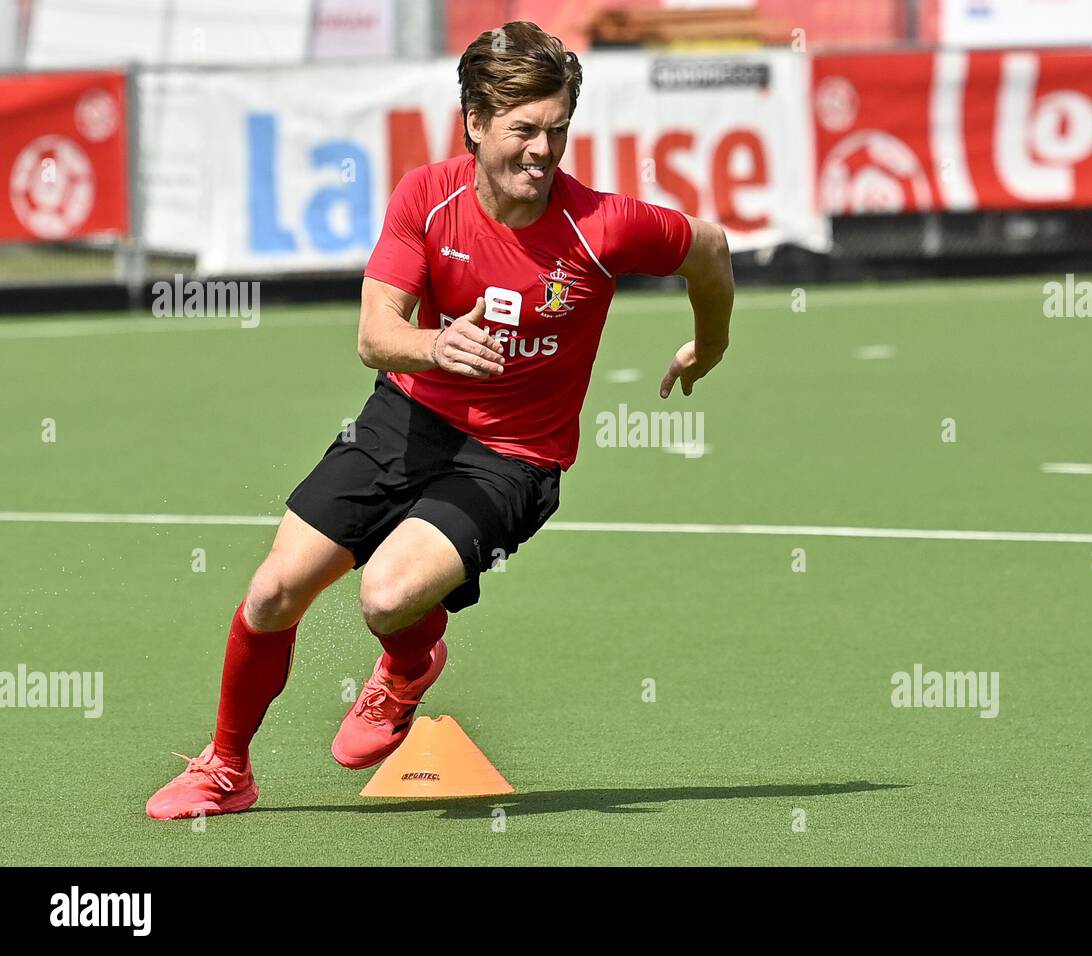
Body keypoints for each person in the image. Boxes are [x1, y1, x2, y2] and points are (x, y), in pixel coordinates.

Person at [146, 20, 734, 819]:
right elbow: (373, 336)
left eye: (557, 131)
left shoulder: (603, 225)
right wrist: (435, 344)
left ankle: (407, 666)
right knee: (275, 591)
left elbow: (710, 247)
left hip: (514, 458)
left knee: (385, 598)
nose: (542, 150)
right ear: (476, 123)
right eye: (524, 129)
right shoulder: (428, 195)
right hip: (405, 415)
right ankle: (227, 770)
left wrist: (708, 343)